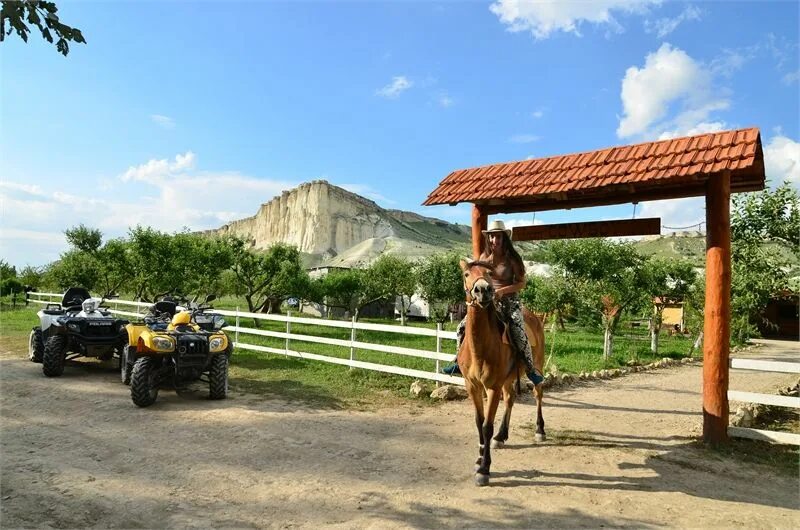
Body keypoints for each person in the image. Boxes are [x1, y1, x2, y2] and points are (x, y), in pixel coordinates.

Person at [442, 219, 544, 385]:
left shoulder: (512, 259)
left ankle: (530, 368)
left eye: (498, 237)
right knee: (462, 327)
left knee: (518, 330)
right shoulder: (484, 257)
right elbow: (478, 275)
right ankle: (458, 362)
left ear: (504, 238)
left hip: (510, 302)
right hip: (489, 301)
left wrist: (502, 291)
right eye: (491, 237)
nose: (494, 240)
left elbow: (521, 283)